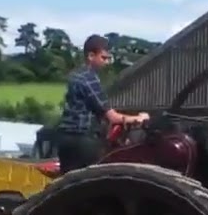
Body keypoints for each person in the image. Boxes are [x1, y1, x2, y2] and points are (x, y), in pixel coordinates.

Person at [57, 34, 149, 172]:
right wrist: (139, 118)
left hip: (64, 139)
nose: (106, 62)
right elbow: (112, 117)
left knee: (67, 184)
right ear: (91, 56)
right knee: (92, 183)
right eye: (103, 58)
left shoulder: (74, 75)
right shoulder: (90, 79)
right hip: (84, 141)